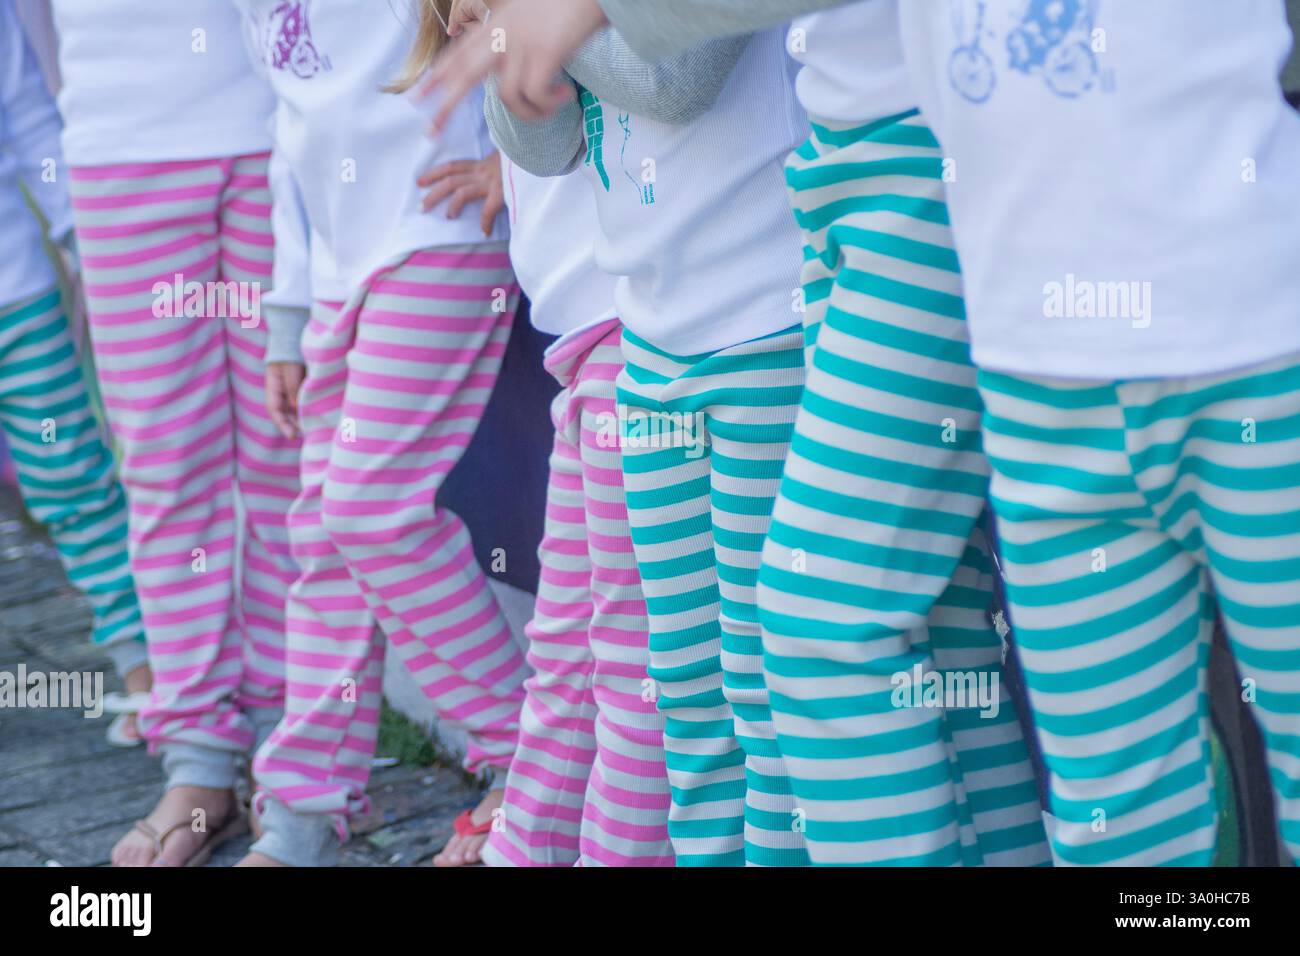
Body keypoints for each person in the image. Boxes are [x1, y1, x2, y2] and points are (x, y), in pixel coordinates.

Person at [233, 0, 529, 868]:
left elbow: (513, 24)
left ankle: (528, 754)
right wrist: (288, 315)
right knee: (325, 533)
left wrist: (516, 166)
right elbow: (293, 132)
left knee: (369, 510)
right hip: (337, 269)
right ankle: (298, 814)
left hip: (439, 238)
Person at [52, 0, 301, 866]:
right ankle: (200, 758)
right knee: (165, 469)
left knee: (286, 453)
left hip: (286, 130)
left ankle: (287, 737)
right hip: (121, 146)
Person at [0, 0, 150, 749]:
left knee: (71, 478)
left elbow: (28, 115)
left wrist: (80, 238)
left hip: (13, 293)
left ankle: (143, 673)